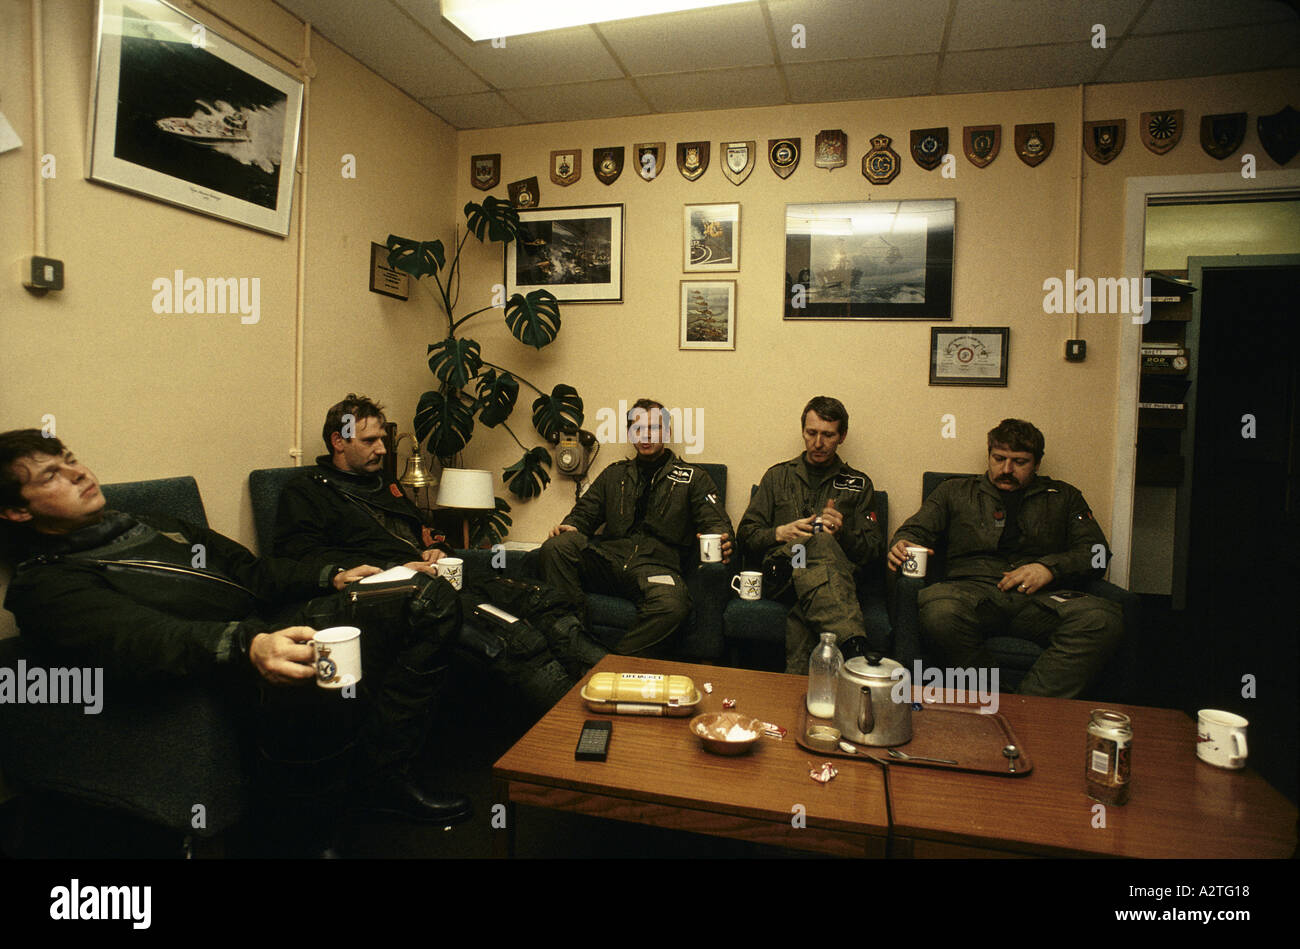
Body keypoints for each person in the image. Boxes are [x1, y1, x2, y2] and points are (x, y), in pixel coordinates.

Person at [0, 428, 472, 852]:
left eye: (69, 456)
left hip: (269, 620)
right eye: (50, 476)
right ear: (18, 511)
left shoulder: (150, 523)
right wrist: (250, 644)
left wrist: (333, 575)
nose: (78, 472)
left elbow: (250, 571)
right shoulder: (47, 584)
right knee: (397, 613)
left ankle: (383, 776)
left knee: (422, 595)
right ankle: (301, 836)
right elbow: (143, 638)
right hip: (222, 660)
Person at [275, 395, 601, 701]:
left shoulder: (383, 484)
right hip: (402, 596)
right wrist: (395, 570)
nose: (382, 449)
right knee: (515, 638)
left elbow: (423, 530)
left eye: (382, 440)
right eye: (369, 441)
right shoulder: (306, 492)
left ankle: (608, 675)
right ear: (338, 442)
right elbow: (304, 561)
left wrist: (437, 548)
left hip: (438, 575)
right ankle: (573, 713)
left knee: (542, 598)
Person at [887, 418, 1123, 698]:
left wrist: (1049, 569)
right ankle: (998, 695)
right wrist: (901, 543)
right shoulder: (955, 491)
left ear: (1037, 463)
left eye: (1019, 462)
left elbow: (1097, 554)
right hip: (971, 594)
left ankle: (1030, 702)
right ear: (989, 456)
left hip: (1041, 600)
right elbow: (913, 531)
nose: (1007, 469)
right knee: (939, 613)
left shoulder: (1064, 496)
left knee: (1103, 619)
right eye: (999, 459)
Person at [538, 398, 733, 656]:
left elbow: (716, 524)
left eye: (654, 428)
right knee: (557, 546)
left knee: (673, 606)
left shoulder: (693, 478)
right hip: (609, 560)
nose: (646, 435)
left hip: (656, 567)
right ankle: (575, 645)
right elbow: (583, 515)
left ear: (667, 432)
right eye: (638, 428)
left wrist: (724, 541)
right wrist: (571, 526)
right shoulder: (614, 474)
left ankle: (609, 664)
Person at [737, 396, 884, 673]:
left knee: (816, 583)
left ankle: (800, 691)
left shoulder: (858, 484)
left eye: (828, 435)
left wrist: (843, 533)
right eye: (811, 433)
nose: (818, 443)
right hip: (783, 572)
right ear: (802, 431)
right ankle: (854, 648)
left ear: (842, 436)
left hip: (830, 580)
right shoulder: (777, 476)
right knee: (817, 544)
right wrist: (780, 533)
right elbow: (745, 536)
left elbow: (874, 551)